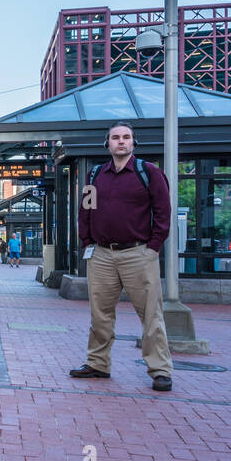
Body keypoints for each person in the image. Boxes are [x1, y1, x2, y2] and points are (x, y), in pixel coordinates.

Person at [71, 121, 173, 392]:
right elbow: (85, 211)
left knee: (151, 314)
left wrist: (153, 246)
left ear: (133, 143)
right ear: (108, 143)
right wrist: (87, 242)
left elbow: (164, 211)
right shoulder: (94, 176)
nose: (121, 142)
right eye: (115, 137)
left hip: (139, 253)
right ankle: (98, 363)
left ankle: (160, 370)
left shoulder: (149, 172)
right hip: (102, 255)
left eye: (126, 137)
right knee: (100, 314)